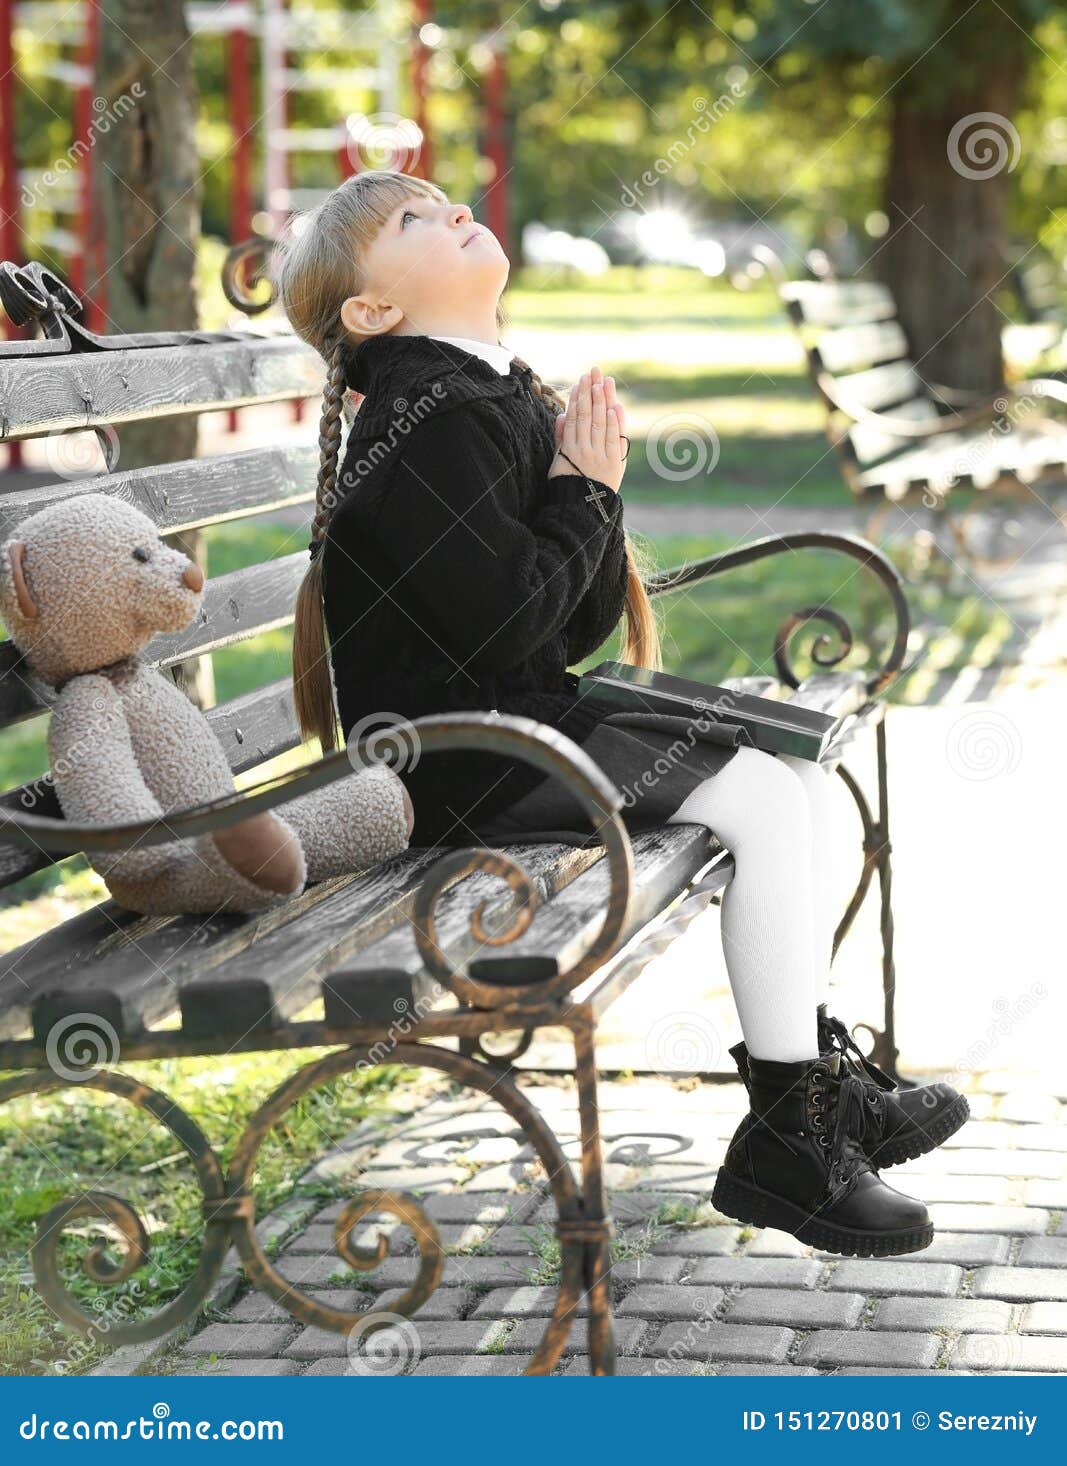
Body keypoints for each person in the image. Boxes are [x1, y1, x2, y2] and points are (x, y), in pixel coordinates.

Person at [274, 169, 969, 1258]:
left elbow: (567, 625)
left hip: (508, 726)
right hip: (459, 758)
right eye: (414, 220)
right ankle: (792, 1135)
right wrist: (581, 490)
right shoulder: (430, 419)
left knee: (784, 781)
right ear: (372, 313)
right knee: (761, 795)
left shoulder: (481, 394)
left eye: (444, 200)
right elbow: (510, 635)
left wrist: (586, 483)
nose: (453, 211)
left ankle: (812, 1091)